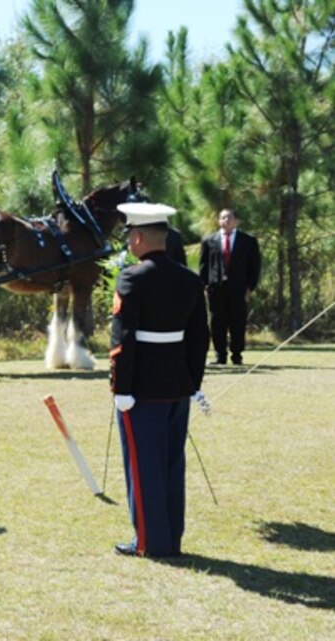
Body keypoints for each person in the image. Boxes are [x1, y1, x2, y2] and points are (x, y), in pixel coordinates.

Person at [110, 202, 209, 558]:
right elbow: (200, 337)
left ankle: (150, 542)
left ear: (137, 237)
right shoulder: (189, 279)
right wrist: (192, 383)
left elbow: (123, 341)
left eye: (130, 237)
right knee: (170, 464)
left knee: (143, 465)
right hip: (177, 387)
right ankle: (171, 537)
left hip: (141, 389)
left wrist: (121, 389)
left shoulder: (132, 278)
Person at [199, 208, 261, 365]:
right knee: (217, 322)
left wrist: (250, 288)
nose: (226, 221)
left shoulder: (248, 241)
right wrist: (204, 285)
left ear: (236, 221)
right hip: (216, 289)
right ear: (218, 221)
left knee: (237, 322)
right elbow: (204, 265)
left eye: (229, 218)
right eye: (222, 218)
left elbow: (254, 267)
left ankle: (237, 354)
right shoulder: (209, 241)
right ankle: (220, 355)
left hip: (238, 289)